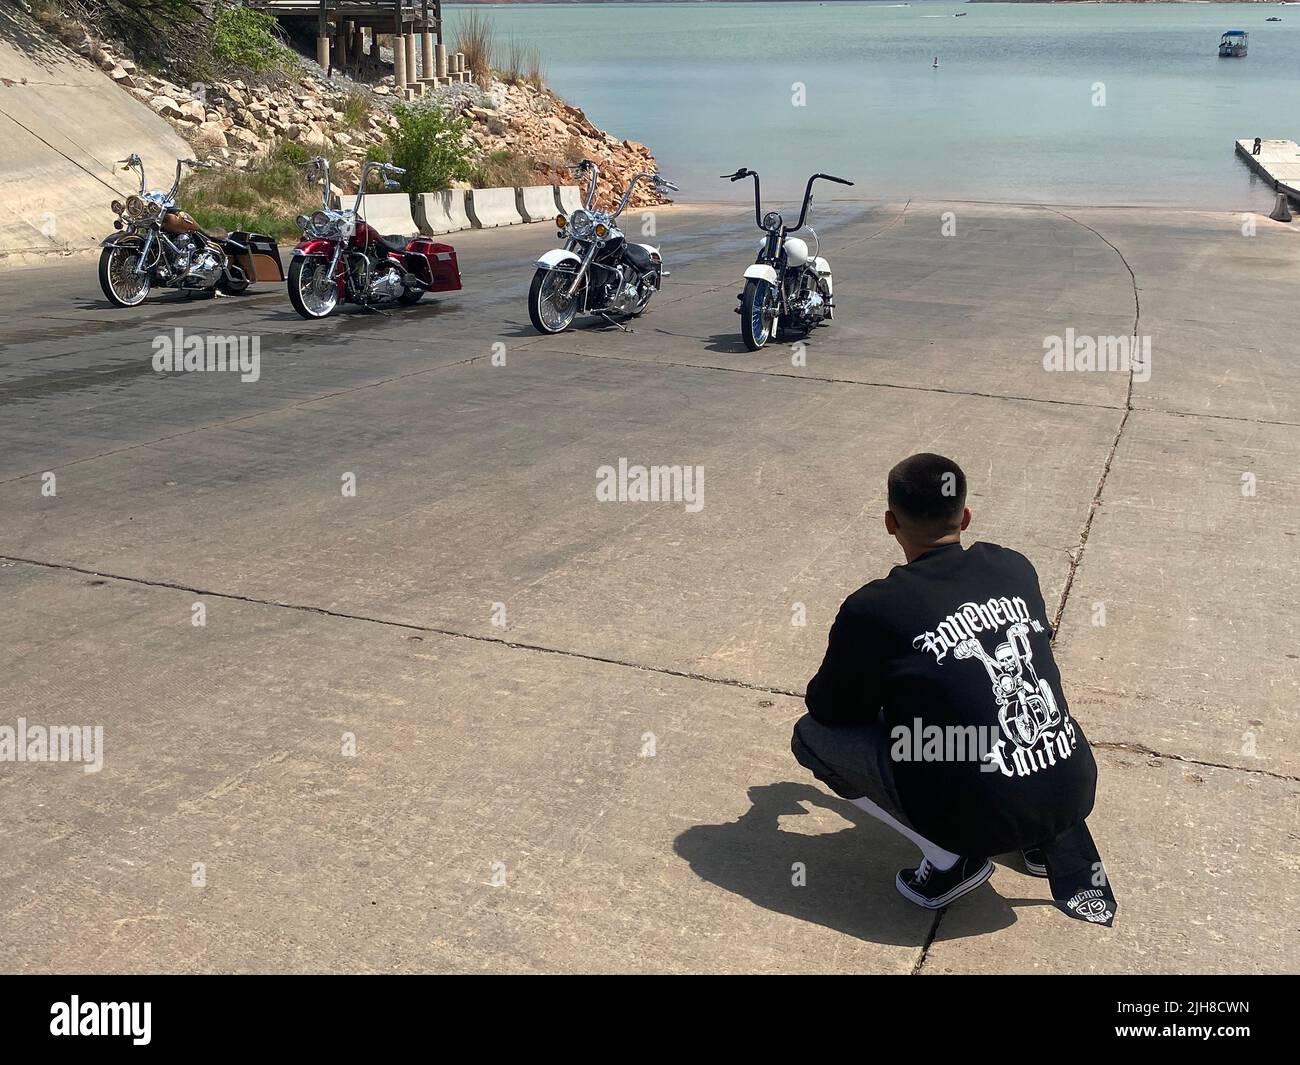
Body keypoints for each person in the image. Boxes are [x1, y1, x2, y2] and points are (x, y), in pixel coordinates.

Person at [790, 453, 1115, 924]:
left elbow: (832, 710)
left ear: (889, 523)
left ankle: (950, 860)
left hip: (980, 807)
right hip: (1070, 787)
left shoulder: (874, 607)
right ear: (965, 516)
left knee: (812, 738)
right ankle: (1041, 845)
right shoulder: (1014, 566)